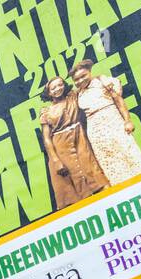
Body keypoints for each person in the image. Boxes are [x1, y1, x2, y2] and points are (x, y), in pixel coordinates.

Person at [71, 59, 141, 185]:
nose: (80, 81)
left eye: (83, 76)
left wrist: (127, 121)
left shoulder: (104, 82)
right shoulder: (78, 94)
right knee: (110, 160)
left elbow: (119, 101)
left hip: (112, 120)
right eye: (76, 79)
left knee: (128, 151)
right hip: (95, 131)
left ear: (90, 72)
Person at [39, 76, 108, 209]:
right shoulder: (46, 112)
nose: (58, 89)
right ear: (48, 92)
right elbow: (46, 138)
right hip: (61, 147)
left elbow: (86, 79)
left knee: (95, 174)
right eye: (53, 88)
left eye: (60, 85)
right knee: (74, 186)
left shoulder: (73, 96)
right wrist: (55, 160)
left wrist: (102, 78)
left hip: (80, 139)